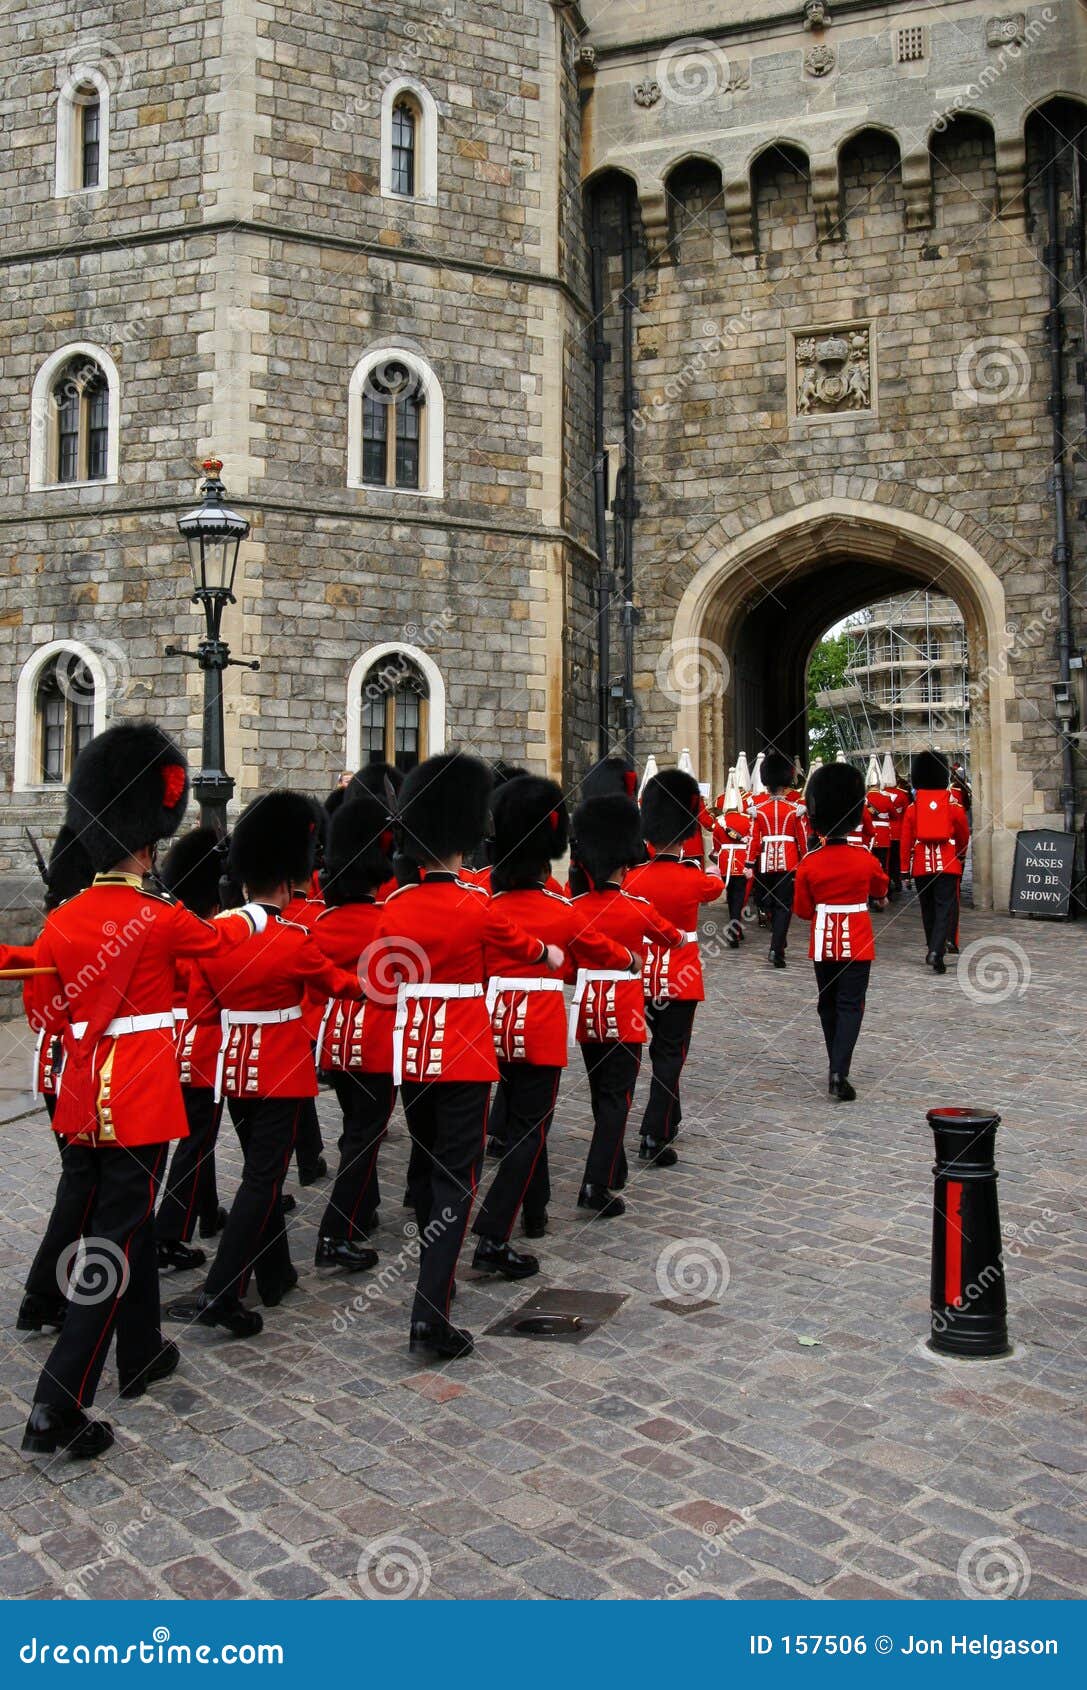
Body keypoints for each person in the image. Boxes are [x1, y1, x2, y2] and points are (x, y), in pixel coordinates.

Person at [20, 721, 271, 1460]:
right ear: (146, 841)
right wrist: (256, 908)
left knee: (114, 1225)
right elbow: (225, 944)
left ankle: (141, 1351)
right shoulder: (159, 920)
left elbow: (48, 1004)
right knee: (115, 1246)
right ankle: (57, 1404)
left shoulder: (63, 921)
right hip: (139, 1100)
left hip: (79, 1100)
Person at [364, 753, 562, 1360]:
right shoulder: (475, 906)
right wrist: (551, 958)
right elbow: (524, 946)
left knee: (427, 1173)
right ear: (461, 841)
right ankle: (430, 1312)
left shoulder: (394, 907)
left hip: (412, 1056)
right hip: (465, 1055)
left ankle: (435, 1274)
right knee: (457, 1180)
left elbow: (377, 982)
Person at [166, 792, 363, 1337]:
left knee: (264, 1174)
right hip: (280, 1072)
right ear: (286, 881)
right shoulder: (293, 938)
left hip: (234, 1072)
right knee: (260, 1180)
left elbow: (205, 1013)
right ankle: (221, 1290)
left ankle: (275, 1272)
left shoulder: (216, 938)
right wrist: (377, 988)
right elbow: (335, 983)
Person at [472, 776, 637, 1270]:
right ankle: (493, 1233)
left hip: (493, 1023)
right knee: (531, 1127)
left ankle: (536, 1211)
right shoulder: (560, 911)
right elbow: (593, 952)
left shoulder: (488, 907)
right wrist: (629, 959)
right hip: (540, 1026)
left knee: (522, 1121)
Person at [568, 794, 684, 1217]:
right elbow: (672, 938)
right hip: (623, 1011)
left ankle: (613, 1167)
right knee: (618, 1099)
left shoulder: (575, 907)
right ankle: (595, 1184)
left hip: (586, 1011)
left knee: (601, 1094)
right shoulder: (636, 909)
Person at [307, 791, 396, 1272]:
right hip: (378, 1042)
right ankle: (335, 1230)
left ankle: (363, 1210)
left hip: (335, 1040)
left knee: (355, 1127)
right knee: (367, 1132)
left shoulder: (322, 922)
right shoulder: (386, 921)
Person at [16, 826, 95, 1333]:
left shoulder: (61, 926)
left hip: (60, 1066)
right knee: (82, 1182)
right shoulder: (67, 930)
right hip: (71, 1068)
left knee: (85, 1182)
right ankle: (43, 1292)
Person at [625, 770, 724, 1168]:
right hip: (681, 979)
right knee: (670, 1055)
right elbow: (719, 881)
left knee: (660, 1052)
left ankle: (671, 1116)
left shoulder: (633, 878)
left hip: (640, 978)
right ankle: (654, 1132)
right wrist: (709, 844)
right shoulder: (693, 878)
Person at [155, 827, 231, 1271]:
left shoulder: (170, 924)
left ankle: (206, 1210)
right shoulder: (204, 933)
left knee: (189, 1137)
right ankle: (169, 1232)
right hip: (201, 1044)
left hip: (166, 1040)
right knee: (196, 1140)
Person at [793, 762, 889, 1102]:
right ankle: (839, 1070)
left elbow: (803, 911)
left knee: (828, 1004)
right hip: (858, 943)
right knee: (851, 1005)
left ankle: (835, 1063)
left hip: (823, 944)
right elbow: (880, 890)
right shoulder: (864, 859)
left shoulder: (810, 862)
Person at [901, 751, 971, 974]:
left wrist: (905, 870)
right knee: (944, 909)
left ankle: (932, 946)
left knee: (927, 908)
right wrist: (960, 856)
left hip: (922, 864)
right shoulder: (953, 807)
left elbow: (905, 841)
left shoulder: (912, 810)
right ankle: (936, 952)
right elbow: (963, 836)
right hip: (947, 864)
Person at [745, 751, 807, 967]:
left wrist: (748, 863)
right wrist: (805, 860)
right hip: (788, 862)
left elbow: (754, 839)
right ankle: (776, 948)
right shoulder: (794, 810)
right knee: (783, 906)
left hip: (765, 862)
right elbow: (801, 839)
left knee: (769, 902)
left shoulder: (759, 810)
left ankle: (778, 939)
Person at [711, 767, 751, 946]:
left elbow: (716, 845)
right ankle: (735, 931)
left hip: (726, 862)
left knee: (731, 896)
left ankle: (733, 930)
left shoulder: (720, 823)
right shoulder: (747, 820)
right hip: (742, 860)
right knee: (740, 897)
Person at [880, 754, 910, 899]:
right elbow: (904, 815)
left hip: (883, 833)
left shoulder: (878, 795)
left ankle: (885, 884)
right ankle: (897, 881)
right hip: (898, 832)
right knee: (896, 860)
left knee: (884, 861)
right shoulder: (902, 795)